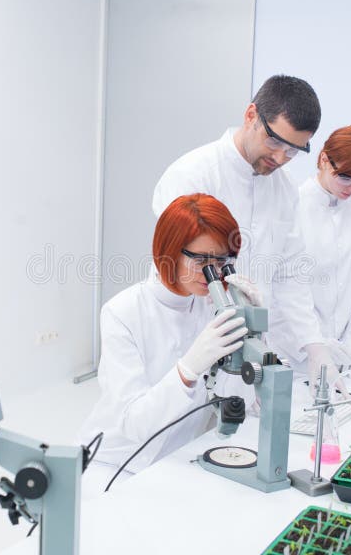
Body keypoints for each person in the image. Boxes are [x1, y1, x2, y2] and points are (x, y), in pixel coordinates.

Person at [152, 74, 329, 381]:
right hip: (191, 350)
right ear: (251, 116)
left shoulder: (285, 190)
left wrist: (314, 346)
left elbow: (289, 273)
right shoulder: (192, 175)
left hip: (249, 354)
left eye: (293, 151)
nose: (280, 157)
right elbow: (177, 272)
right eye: (274, 141)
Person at [79, 193, 254, 497]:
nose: (211, 272)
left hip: (178, 458)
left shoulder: (211, 306)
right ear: (170, 252)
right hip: (115, 463)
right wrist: (186, 371)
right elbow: (135, 425)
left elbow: (238, 404)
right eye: (201, 261)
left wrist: (253, 334)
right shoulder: (122, 312)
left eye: (221, 261)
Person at [297, 125, 351, 377]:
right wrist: (314, 347)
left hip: (348, 361)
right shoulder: (293, 205)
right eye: (346, 178)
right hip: (295, 359)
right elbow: (288, 292)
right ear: (324, 159)